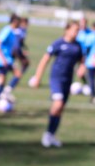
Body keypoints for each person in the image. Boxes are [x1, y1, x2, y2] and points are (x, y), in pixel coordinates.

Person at [28, 19, 84, 148]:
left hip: (68, 80)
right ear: (67, 30)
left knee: (60, 109)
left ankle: (51, 135)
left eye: (78, 30)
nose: (76, 33)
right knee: (57, 104)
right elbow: (45, 60)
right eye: (75, 30)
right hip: (56, 78)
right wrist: (37, 77)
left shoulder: (78, 46)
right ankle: (47, 134)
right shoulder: (58, 43)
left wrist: (82, 67)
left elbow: (82, 60)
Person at [0, 14, 22, 101]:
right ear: (14, 22)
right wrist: (2, 58)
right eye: (19, 22)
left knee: (3, 78)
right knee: (12, 75)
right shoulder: (7, 30)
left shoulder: (12, 31)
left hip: (8, 58)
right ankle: (3, 94)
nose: (19, 24)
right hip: (3, 59)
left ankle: (0, 96)